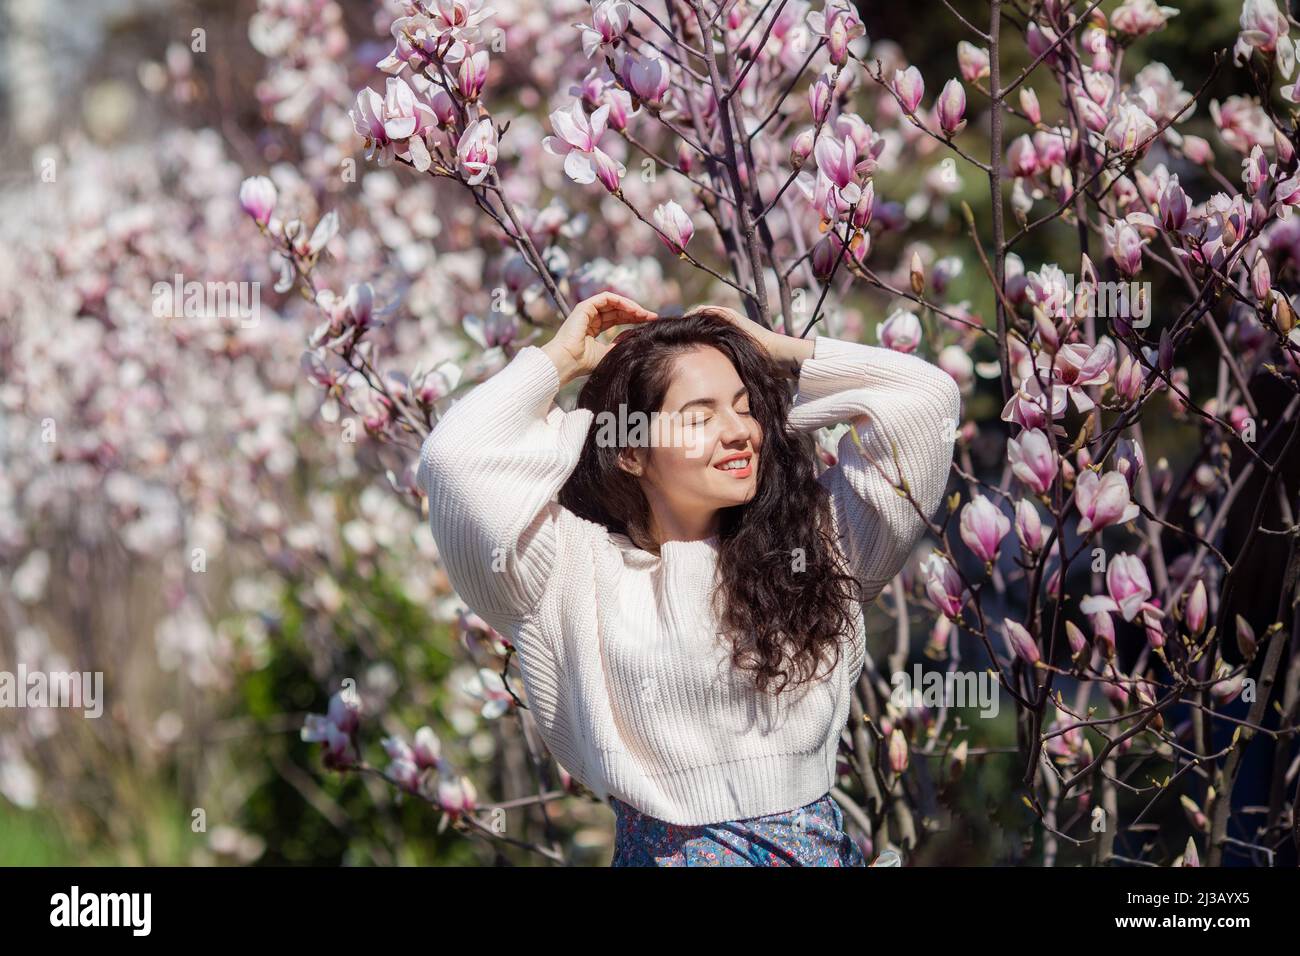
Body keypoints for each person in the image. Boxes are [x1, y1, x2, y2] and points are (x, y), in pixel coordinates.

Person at [417, 292, 960, 865]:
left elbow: (927, 403)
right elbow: (454, 461)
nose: (739, 432)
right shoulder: (570, 571)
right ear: (629, 451)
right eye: (701, 417)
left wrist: (777, 351)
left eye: (745, 406)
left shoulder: (815, 543)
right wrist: (557, 361)